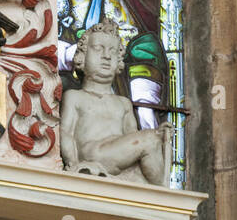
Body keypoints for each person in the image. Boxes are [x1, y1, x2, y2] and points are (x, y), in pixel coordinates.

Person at [59, 17, 170, 185]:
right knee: (150, 140)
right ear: (82, 56)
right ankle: (161, 194)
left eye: (113, 51)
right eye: (98, 48)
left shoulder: (123, 103)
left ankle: (152, 191)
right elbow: (66, 133)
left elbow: (132, 137)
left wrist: (159, 134)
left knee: (151, 140)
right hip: (92, 153)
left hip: (116, 158)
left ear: (119, 60)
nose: (106, 56)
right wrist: (73, 164)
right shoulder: (75, 96)